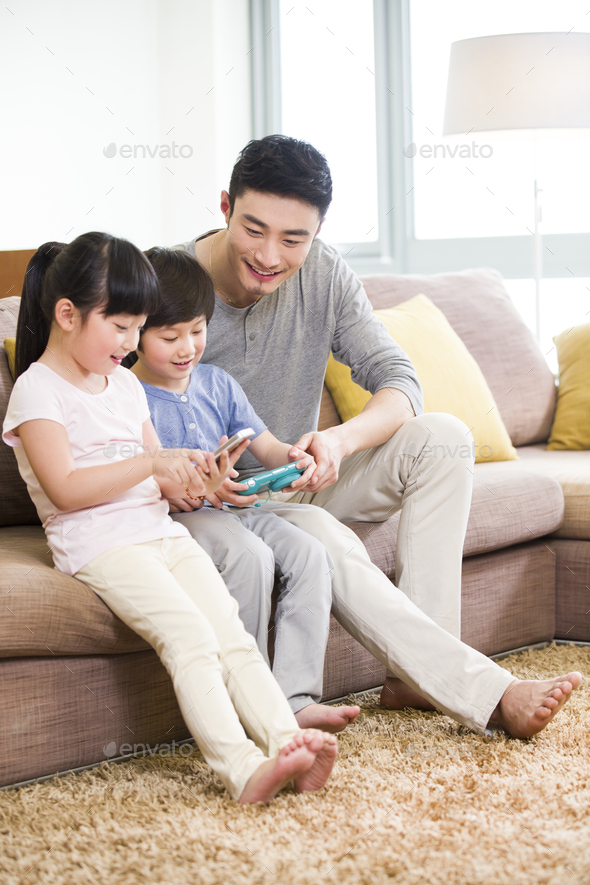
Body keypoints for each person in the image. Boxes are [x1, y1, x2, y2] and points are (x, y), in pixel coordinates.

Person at [172, 134, 582, 737]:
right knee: (329, 543)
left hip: (300, 478)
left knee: (443, 436)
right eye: (254, 229)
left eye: (294, 239)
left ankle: (415, 676)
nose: (269, 255)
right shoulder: (165, 283)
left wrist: (339, 442)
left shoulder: (326, 274)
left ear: (317, 235)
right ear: (226, 206)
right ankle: (485, 693)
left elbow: (399, 380)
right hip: (216, 507)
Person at [3, 231, 338, 805]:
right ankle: (239, 767)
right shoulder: (38, 391)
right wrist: (152, 462)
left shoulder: (125, 384)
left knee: (228, 630)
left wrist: (204, 478)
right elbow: (64, 490)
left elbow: (159, 473)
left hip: (159, 532)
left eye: (138, 327)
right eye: (121, 326)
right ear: (67, 315)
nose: (131, 342)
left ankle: (287, 740)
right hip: (101, 546)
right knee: (188, 635)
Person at [129, 245, 360, 732]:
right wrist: (189, 489)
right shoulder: (125, 394)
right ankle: (250, 706)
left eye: (197, 330)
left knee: (311, 553)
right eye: (170, 336)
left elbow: (267, 443)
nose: (188, 347)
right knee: (250, 557)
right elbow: (137, 480)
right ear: (135, 332)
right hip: (179, 520)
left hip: (236, 505)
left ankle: (294, 700)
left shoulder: (217, 382)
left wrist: (295, 458)